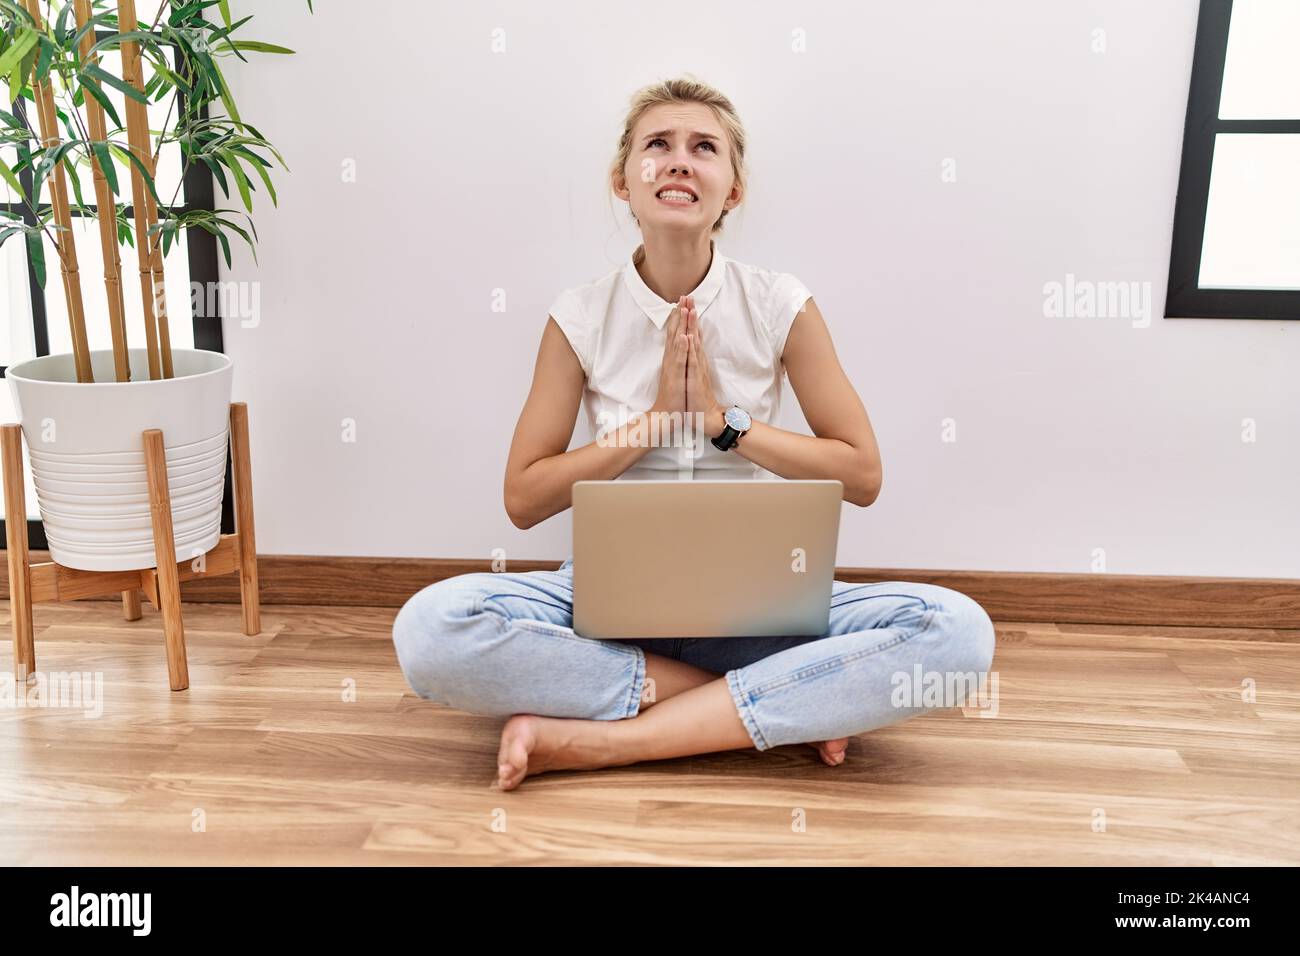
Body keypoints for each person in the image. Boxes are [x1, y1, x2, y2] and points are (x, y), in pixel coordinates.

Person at [394, 75, 995, 791]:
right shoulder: (579, 315)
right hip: (606, 603)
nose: (679, 161)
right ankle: (778, 700)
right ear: (624, 181)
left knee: (957, 633)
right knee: (432, 630)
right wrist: (652, 424)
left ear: (732, 190)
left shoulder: (779, 303)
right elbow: (523, 498)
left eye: (704, 147)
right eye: (658, 145)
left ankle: (612, 742)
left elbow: (861, 474)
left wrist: (723, 426)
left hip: (761, 600)